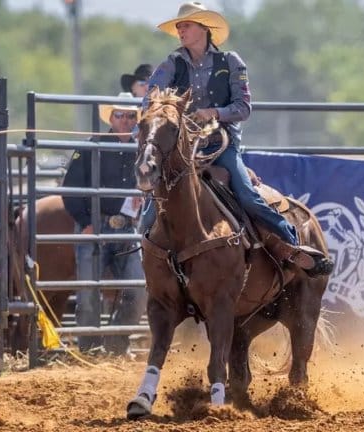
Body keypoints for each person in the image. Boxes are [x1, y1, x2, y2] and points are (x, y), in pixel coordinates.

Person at [140, 2, 331, 276]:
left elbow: (243, 108)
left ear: (204, 29)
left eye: (186, 25)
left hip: (221, 144)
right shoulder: (172, 63)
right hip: (183, 149)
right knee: (151, 206)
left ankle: (293, 244)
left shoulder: (230, 62)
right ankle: (152, 265)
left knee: (248, 195)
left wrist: (214, 112)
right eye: (179, 26)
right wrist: (155, 118)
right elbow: (151, 97)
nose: (180, 30)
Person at [61, 92, 148, 355]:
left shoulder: (144, 149)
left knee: (138, 290)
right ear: (110, 118)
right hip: (95, 226)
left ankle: (116, 343)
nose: (125, 120)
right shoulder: (91, 146)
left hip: (127, 228)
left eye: (131, 115)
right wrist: (85, 221)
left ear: (137, 119)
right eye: (119, 115)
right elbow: (70, 188)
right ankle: (88, 348)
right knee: (88, 295)